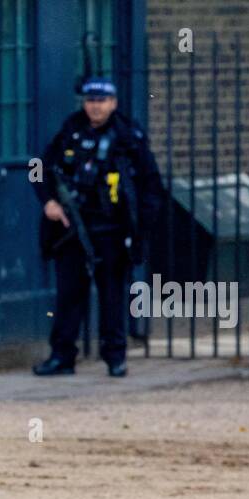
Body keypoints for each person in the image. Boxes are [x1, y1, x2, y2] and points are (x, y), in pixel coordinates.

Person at [33, 76, 164, 378]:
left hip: (112, 229)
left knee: (112, 295)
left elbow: (150, 184)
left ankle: (115, 356)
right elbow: (40, 168)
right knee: (68, 294)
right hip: (72, 228)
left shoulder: (128, 135)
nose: (95, 106)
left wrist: (140, 228)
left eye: (101, 101)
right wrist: (49, 202)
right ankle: (62, 356)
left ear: (113, 103)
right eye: (91, 100)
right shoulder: (70, 130)